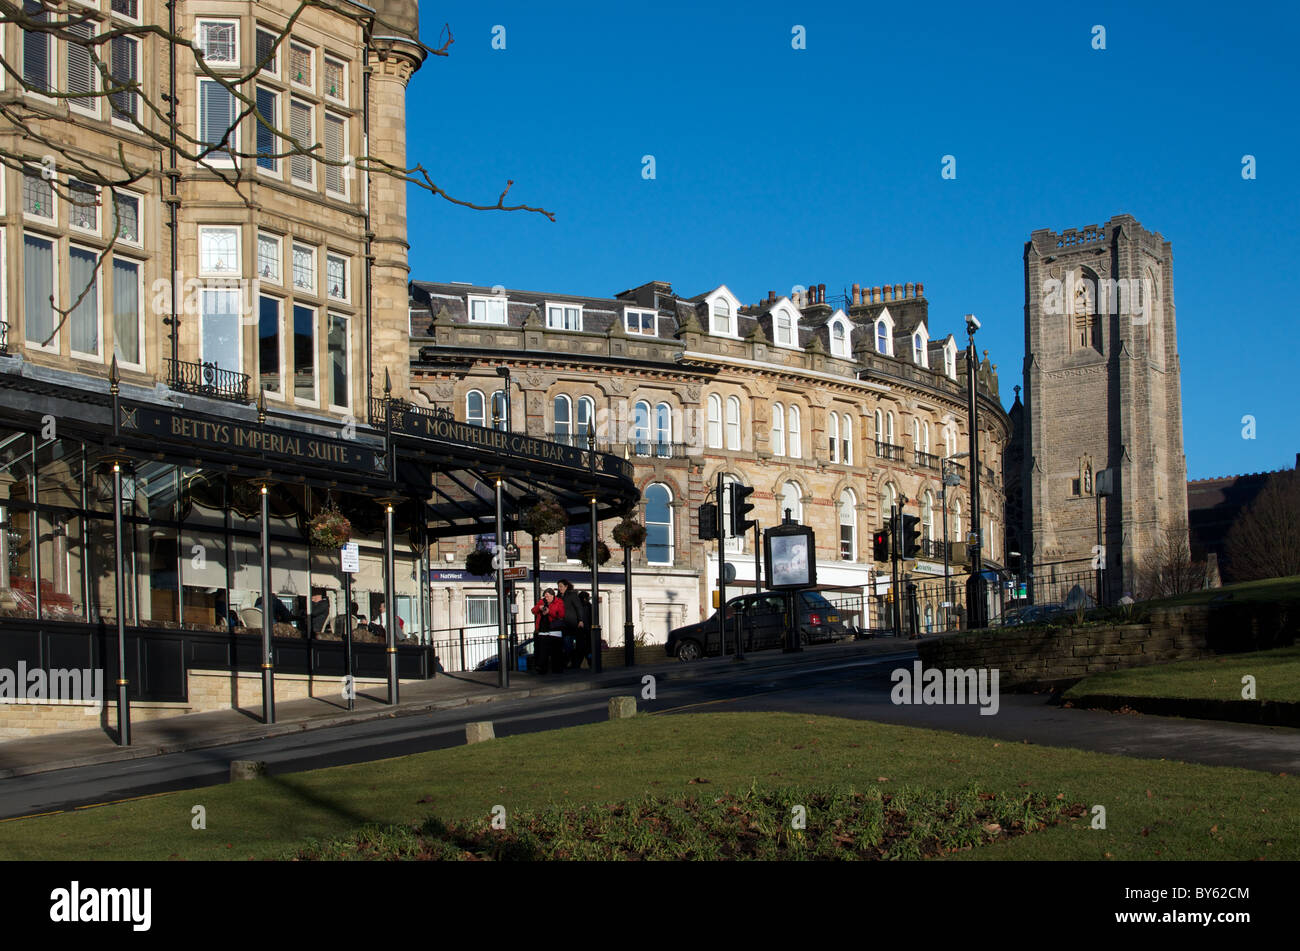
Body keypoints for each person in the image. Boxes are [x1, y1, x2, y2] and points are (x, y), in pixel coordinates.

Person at [530, 588, 565, 674]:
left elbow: (561, 614)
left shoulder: (559, 602)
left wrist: (549, 611)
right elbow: (533, 610)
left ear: (553, 596)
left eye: (548, 596)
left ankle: (557, 669)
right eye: (545, 596)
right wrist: (539, 607)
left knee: (556, 651)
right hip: (543, 629)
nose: (546, 598)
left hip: (554, 629)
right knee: (543, 650)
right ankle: (542, 668)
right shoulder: (541, 602)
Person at [557, 578, 584, 669]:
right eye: (558, 587)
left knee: (569, 643)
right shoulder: (558, 597)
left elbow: (578, 607)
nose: (559, 588)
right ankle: (569, 661)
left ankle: (572, 662)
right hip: (562, 624)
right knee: (565, 644)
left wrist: (580, 620)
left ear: (566, 586)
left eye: (561, 586)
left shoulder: (572, 595)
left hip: (572, 623)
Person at [577, 590, 593, 668]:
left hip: (581, 631)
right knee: (588, 649)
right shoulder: (590, 606)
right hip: (588, 631)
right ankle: (590, 662)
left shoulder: (579, 607)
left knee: (581, 649)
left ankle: (578, 664)